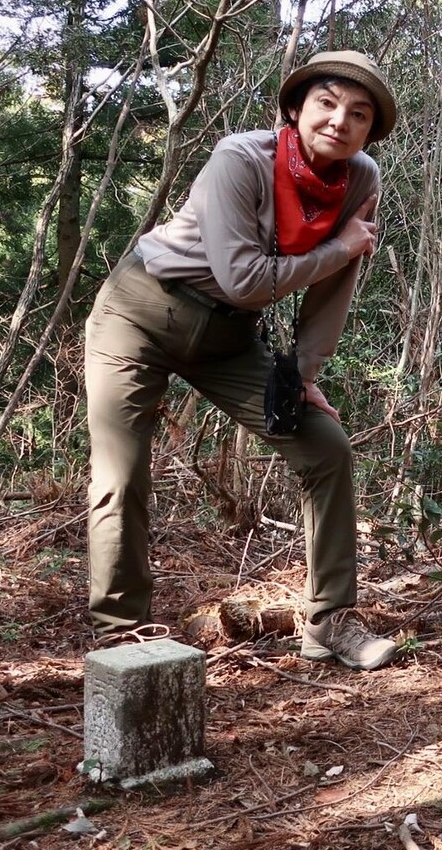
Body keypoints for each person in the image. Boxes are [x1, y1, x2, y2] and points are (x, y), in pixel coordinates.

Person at [84, 50, 399, 671]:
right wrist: (337, 248)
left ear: (368, 131)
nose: (340, 121)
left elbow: (334, 287)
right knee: (122, 472)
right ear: (295, 109)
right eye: (327, 104)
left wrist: (302, 378)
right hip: (141, 311)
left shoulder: (360, 180)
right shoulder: (240, 158)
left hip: (229, 340)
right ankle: (121, 634)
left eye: (358, 114)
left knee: (325, 446)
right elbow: (243, 279)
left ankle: (330, 619)